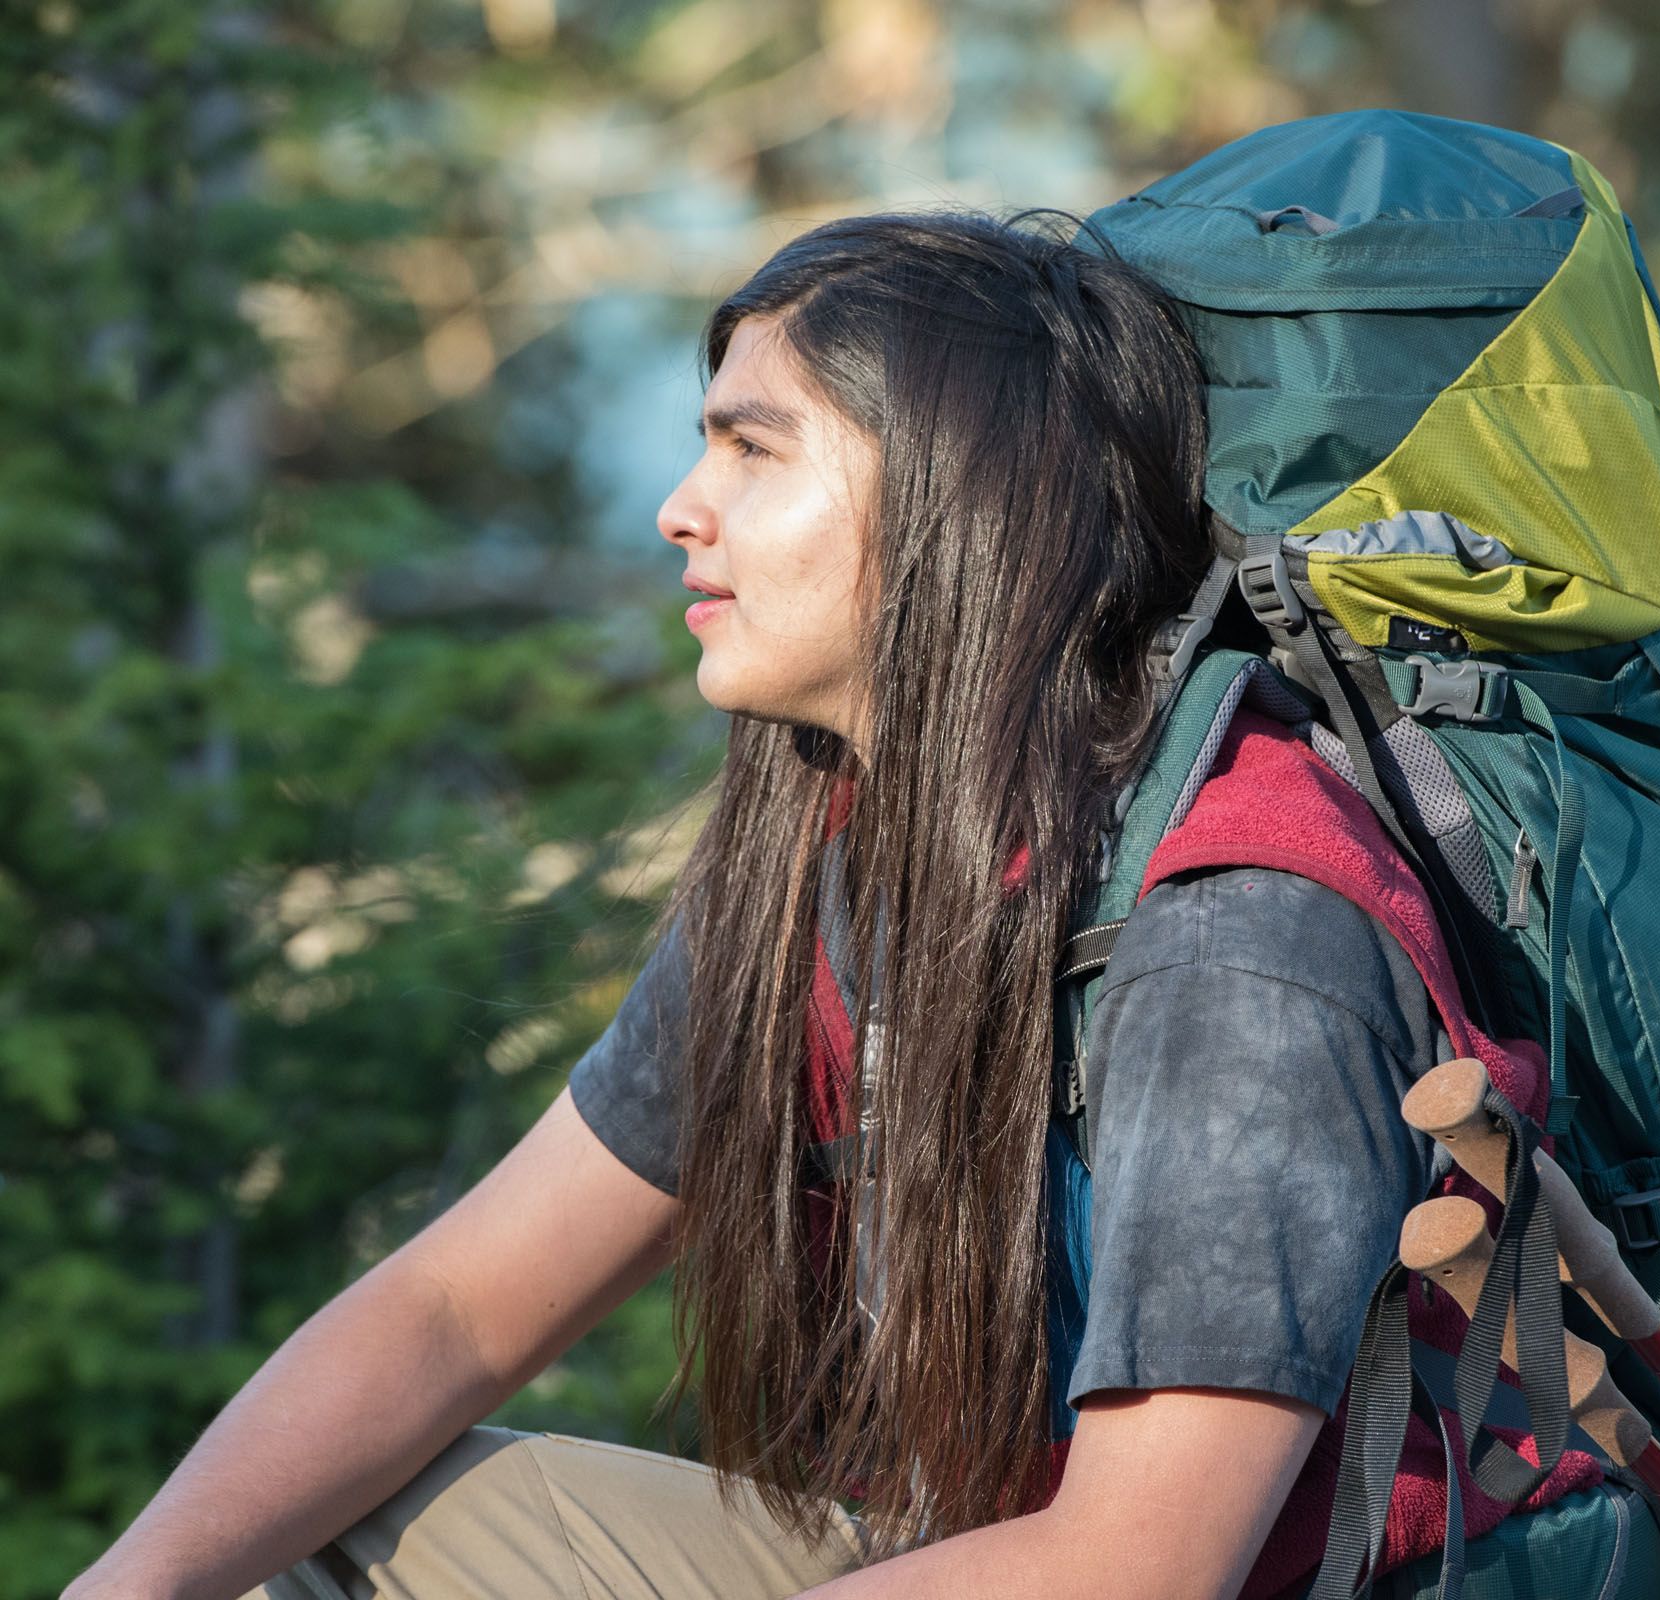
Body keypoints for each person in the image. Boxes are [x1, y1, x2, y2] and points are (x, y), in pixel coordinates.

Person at [64, 210, 1539, 1600]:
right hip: (993, 1552)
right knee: (316, 1518)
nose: (676, 509)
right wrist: (131, 1582)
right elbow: (455, 1307)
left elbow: (1133, 1567)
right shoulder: (837, 867)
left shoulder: (1237, 925)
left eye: (750, 450)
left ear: (962, 492)